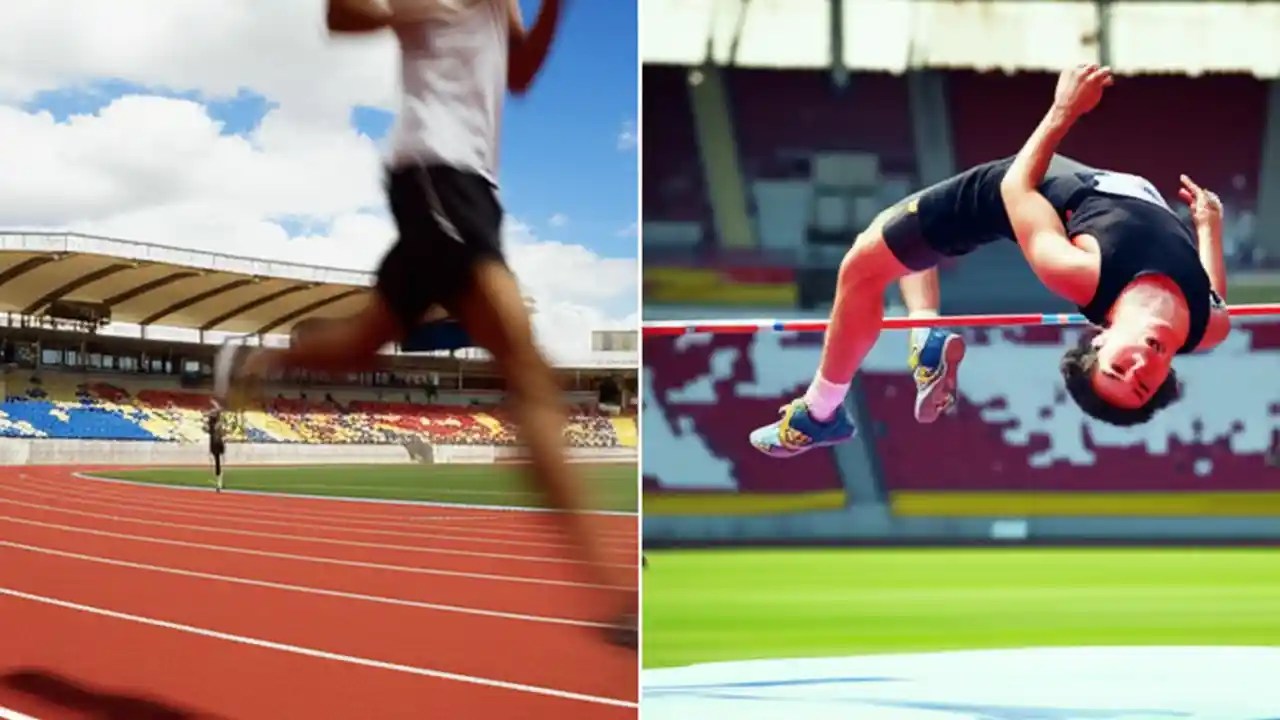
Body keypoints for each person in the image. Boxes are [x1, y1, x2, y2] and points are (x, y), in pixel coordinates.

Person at [213, 0, 636, 648]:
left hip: (474, 191)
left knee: (360, 344)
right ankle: (612, 595)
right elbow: (343, 14)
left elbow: (519, 74)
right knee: (527, 370)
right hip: (437, 174)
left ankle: (256, 365)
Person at [751, 63, 1230, 457]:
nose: (1139, 367)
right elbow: (1209, 287)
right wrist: (1209, 226)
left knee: (861, 266)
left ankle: (820, 411)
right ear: (1165, 379)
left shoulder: (1080, 273)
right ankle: (923, 337)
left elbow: (1015, 188)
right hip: (1098, 185)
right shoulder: (1208, 327)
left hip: (1011, 188)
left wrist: (1063, 111)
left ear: (1100, 338)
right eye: (1143, 385)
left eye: (1117, 372)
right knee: (906, 251)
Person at [207, 404, 226, 492]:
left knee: (219, 463)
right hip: (216, 444)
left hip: (216, 444)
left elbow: (219, 410)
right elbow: (219, 410)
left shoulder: (214, 422)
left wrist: (214, 404)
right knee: (219, 463)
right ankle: (219, 482)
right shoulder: (213, 423)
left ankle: (219, 482)